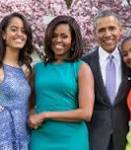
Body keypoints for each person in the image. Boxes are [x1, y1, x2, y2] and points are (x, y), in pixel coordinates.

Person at [28, 15, 94, 150]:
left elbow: (86, 113)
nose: (58, 40)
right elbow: (30, 103)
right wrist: (31, 115)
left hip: (72, 139)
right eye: (54, 35)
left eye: (64, 36)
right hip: (41, 138)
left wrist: (46, 114)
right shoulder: (37, 69)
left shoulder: (82, 68)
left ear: (73, 40)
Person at [82, 10, 131, 150]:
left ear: (120, 30)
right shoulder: (84, 63)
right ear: (94, 34)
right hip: (94, 137)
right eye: (101, 30)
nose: (107, 34)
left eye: (112, 28)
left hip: (126, 136)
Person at [0, 12, 33, 149]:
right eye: (14, 29)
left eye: (23, 31)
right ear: (3, 34)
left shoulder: (26, 70)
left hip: (25, 136)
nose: (19, 34)